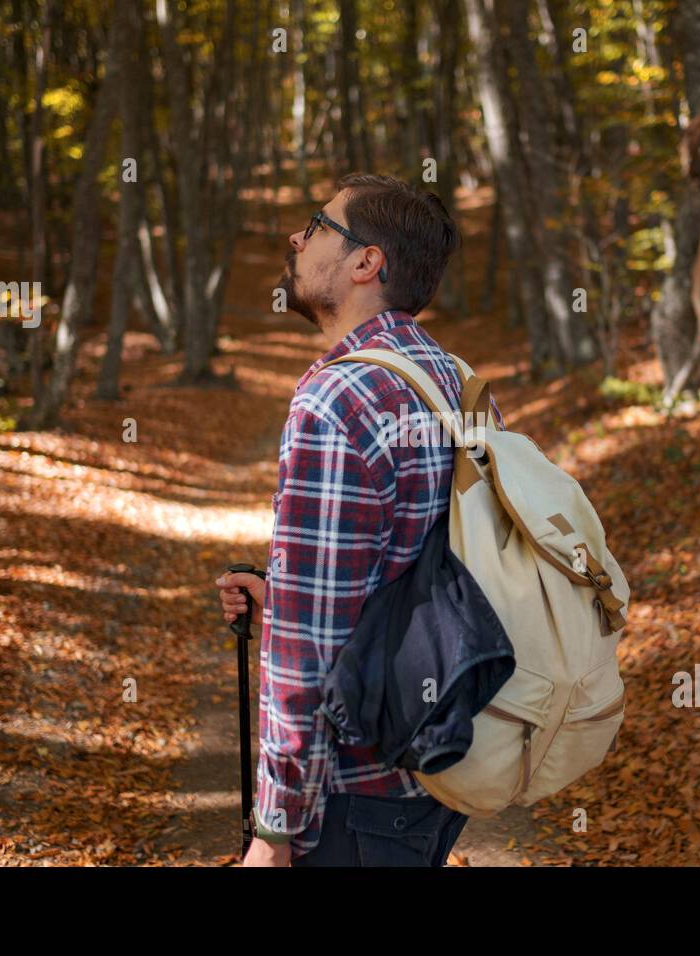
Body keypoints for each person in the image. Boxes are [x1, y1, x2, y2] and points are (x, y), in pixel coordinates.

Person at [216, 173, 504, 867]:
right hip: (435, 772)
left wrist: (274, 829)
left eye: (317, 225)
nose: (295, 236)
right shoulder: (457, 381)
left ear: (366, 262)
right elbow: (426, 569)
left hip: (352, 795)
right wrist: (283, 597)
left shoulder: (335, 398)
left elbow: (308, 650)